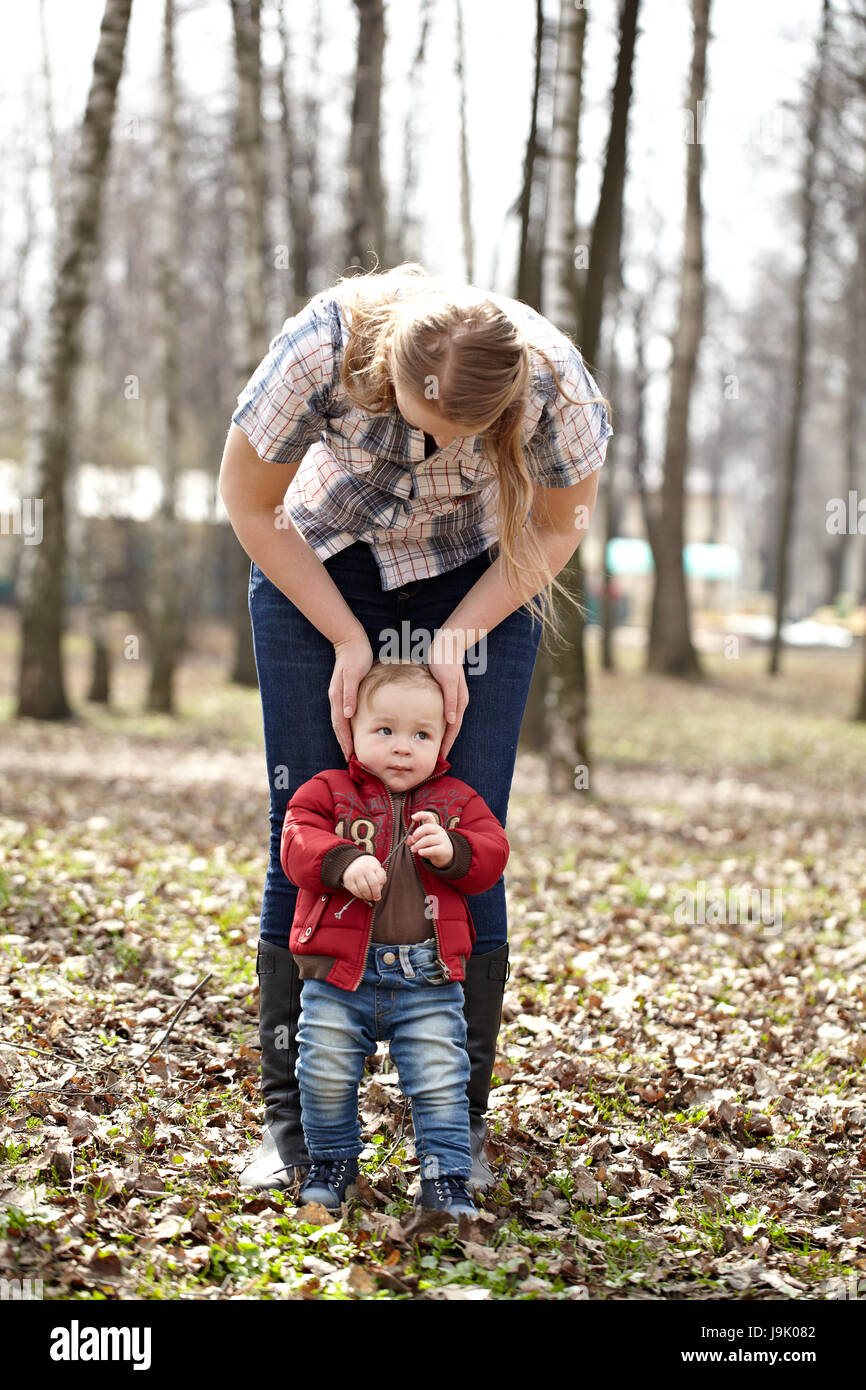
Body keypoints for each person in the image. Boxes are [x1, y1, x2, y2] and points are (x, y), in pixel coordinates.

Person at [219, 260, 613, 1194]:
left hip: (480, 576)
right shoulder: (321, 344)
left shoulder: (556, 384)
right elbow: (250, 501)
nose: (441, 447)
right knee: (307, 828)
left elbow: (561, 526)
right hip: (320, 562)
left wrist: (458, 639)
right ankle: (297, 1130)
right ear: (388, 370)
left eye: (465, 436)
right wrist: (349, 638)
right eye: (425, 422)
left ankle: (456, 1124)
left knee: (465, 833)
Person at [282, 658, 509, 1216]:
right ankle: (332, 1161)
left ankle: (445, 1176)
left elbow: (492, 855)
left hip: (427, 976)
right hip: (340, 974)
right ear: (352, 730)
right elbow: (294, 839)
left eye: (421, 734)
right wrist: (339, 861)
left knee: (439, 1078)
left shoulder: (457, 802)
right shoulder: (327, 792)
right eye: (385, 731)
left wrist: (455, 852)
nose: (403, 747)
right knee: (324, 1069)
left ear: (442, 741)